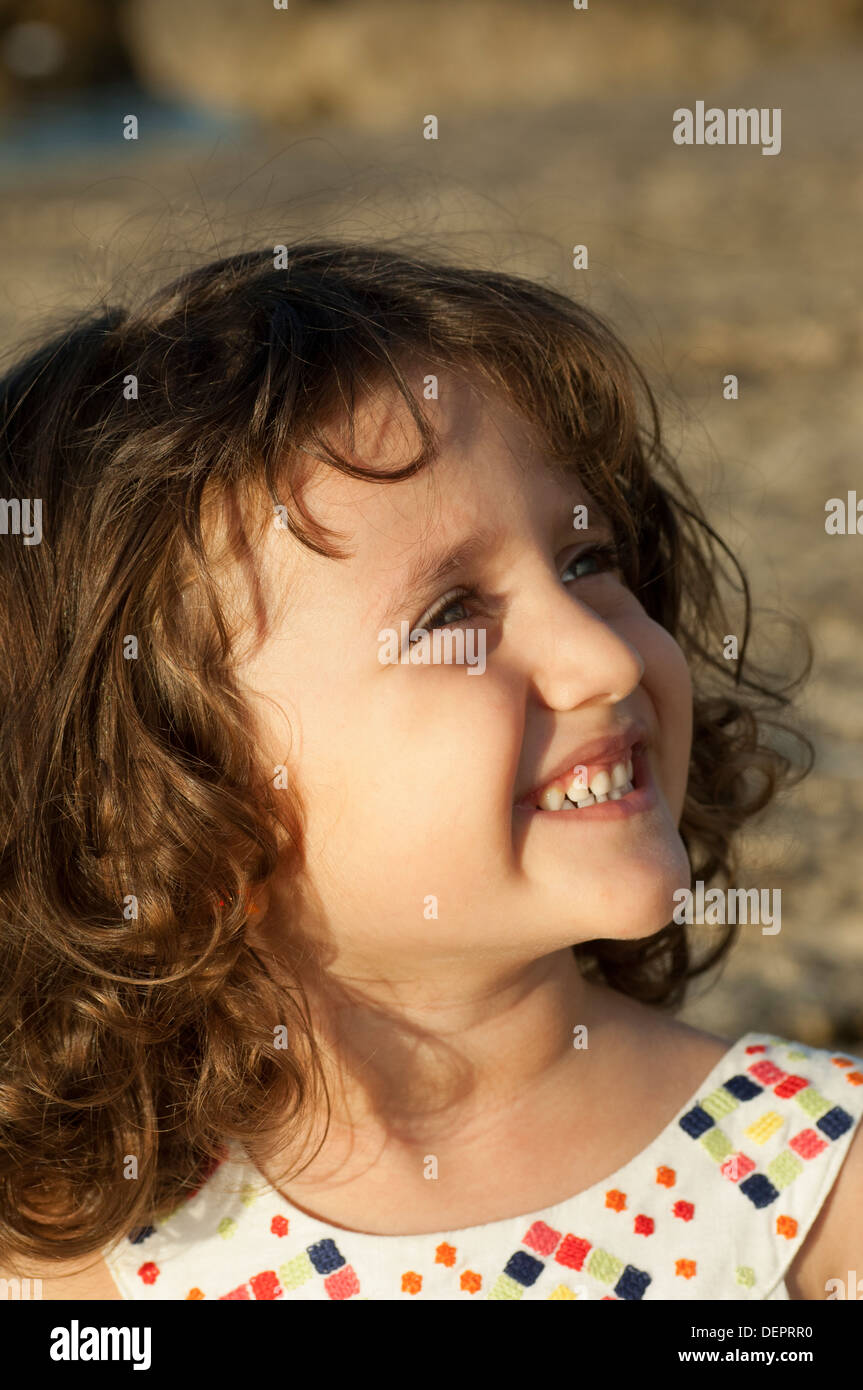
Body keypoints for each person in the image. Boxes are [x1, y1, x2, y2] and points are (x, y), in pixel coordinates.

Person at [1, 241, 860, 1301]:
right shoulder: (74, 1253)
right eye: (452, 614)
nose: (602, 655)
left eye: (586, 559)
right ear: (173, 798)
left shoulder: (820, 1193)